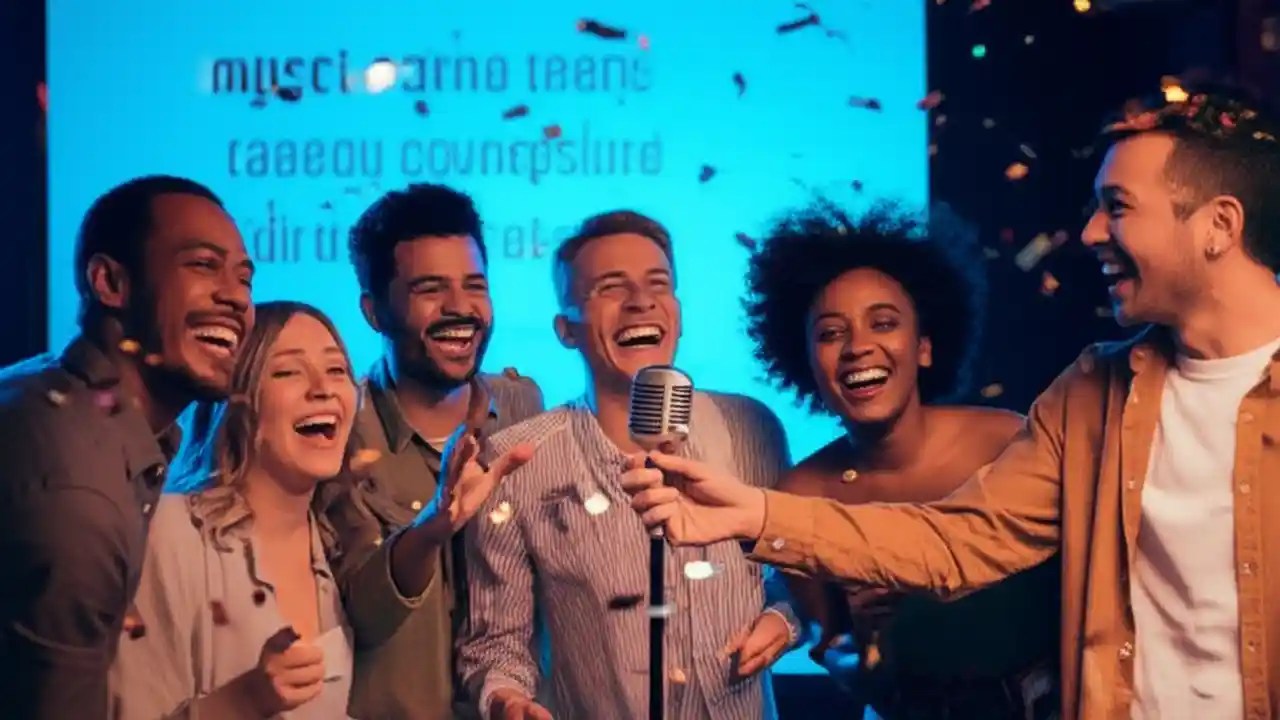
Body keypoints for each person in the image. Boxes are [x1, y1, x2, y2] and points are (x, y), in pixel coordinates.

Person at [623, 86, 1280, 719]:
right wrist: (756, 512)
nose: (1089, 233)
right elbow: (960, 539)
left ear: (1219, 225)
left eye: (1118, 205)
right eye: (830, 332)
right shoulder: (1089, 397)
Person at [457, 210, 798, 720]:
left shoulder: (753, 428)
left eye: (657, 284)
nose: (641, 301)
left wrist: (784, 619)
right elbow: (496, 642)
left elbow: (797, 577)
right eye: (611, 288)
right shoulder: (521, 462)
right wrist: (508, 700)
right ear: (566, 329)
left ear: (677, 314)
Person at [741, 200, 1059, 718]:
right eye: (830, 333)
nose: (857, 347)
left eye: (883, 323)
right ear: (807, 364)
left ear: (925, 347)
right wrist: (868, 640)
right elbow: (846, 667)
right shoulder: (800, 496)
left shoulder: (1007, 441)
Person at [0, 175, 254, 718]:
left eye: (244, 277)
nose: (235, 296)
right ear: (110, 282)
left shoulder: (69, 400)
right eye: (203, 265)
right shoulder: (77, 488)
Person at [315, 183, 542, 719]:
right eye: (430, 289)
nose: (460, 308)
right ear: (374, 311)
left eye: (474, 285)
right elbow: (357, 618)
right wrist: (431, 528)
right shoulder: (336, 431)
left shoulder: (524, 408)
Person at [111, 301, 358, 718]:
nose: (323, 388)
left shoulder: (330, 541)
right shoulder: (169, 532)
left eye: (337, 370)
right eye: (287, 371)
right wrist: (246, 700)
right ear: (236, 402)